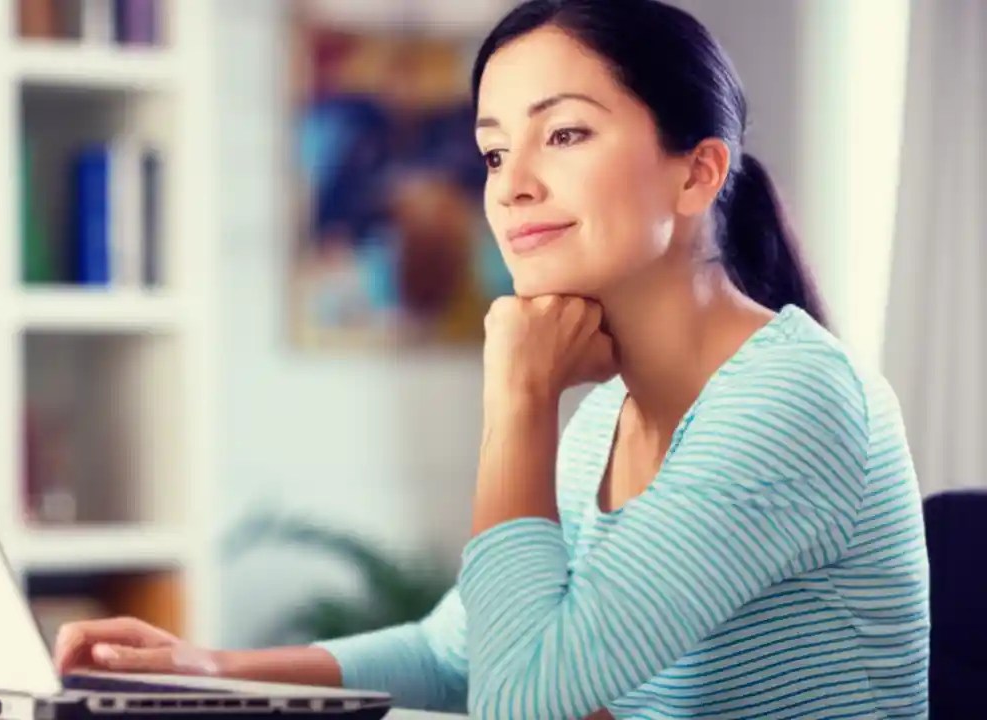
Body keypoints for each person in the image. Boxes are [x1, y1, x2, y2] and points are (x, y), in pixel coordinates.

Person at [53, 0, 930, 717]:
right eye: (495, 151)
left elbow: (521, 703)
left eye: (566, 134)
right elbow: (456, 652)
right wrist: (213, 668)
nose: (511, 185)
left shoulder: (792, 398)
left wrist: (519, 398)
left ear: (698, 173)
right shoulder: (607, 420)